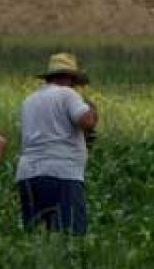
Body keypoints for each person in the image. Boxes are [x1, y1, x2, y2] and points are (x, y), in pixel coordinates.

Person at [16, 53, 97, 235]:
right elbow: (87, 122)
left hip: (28, 174)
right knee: (70, 236)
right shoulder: (68, 95)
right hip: (62, 173)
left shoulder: (29, 100)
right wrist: (92, 109)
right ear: (70, 78)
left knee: (36, 235)